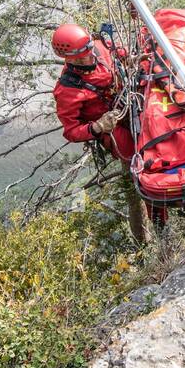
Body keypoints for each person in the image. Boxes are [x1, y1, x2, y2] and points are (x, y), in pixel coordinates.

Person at [51, 22, 148, 241]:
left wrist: (130, 60)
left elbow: (120, 55)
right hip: (110, 127)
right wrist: (97, 127)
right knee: (137, 159)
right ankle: (158, 210)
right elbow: (71, 131)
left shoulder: (99, 47)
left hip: (129, 101)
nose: (88, 59)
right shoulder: (67, 89)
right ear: (68, 59)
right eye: (81, 58)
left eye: (88, 52)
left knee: (160, 127)